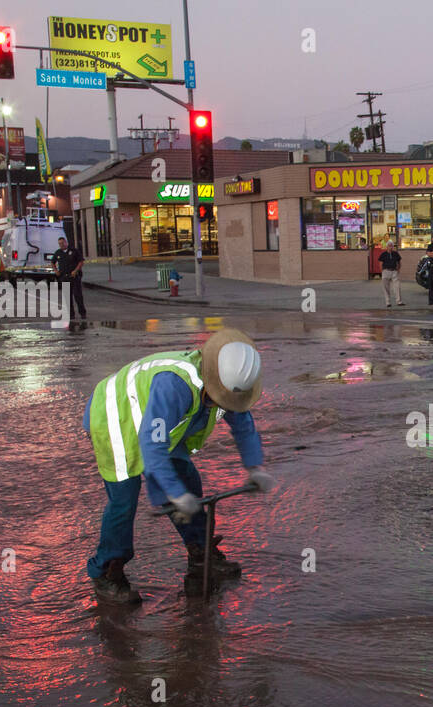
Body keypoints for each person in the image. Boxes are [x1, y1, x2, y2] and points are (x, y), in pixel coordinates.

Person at [82, 328, 277, 603]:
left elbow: (243, 425)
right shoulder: (174, 386)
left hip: (155, 422)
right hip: (115, 418)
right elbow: (153, 445)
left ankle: (201, 551)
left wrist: (255, 467)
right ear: (213, 379)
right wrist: (172, 493)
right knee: (124, 502)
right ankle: (106, 572)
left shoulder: (229, 384)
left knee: (188, 481)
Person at [54, 236, 87, 321]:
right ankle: (71, 314)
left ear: (66, 242)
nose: (61, 245)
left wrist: (75, 271)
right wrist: (55, 270)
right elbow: (52, 262)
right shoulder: (58, 253)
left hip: (74, 277)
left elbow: (81, 262)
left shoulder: (74, 251)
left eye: (62, 243)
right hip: (64, 278)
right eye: (59, 244)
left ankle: (82, 313)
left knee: (78, 296)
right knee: (67, 297)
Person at [378, 240, 404, 307]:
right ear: (386, 247)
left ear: (393, 247)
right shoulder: (383, 254)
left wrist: (398, 270)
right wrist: (382, 272)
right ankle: (388, 302)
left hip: (394, 271)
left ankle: (399, 301)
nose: (390, 247)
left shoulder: (395, 253)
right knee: (386, 288)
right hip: (386, 271)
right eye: (389, 246)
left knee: (397, 287)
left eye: (391, 246)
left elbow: (399, 262)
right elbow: (380, 263)